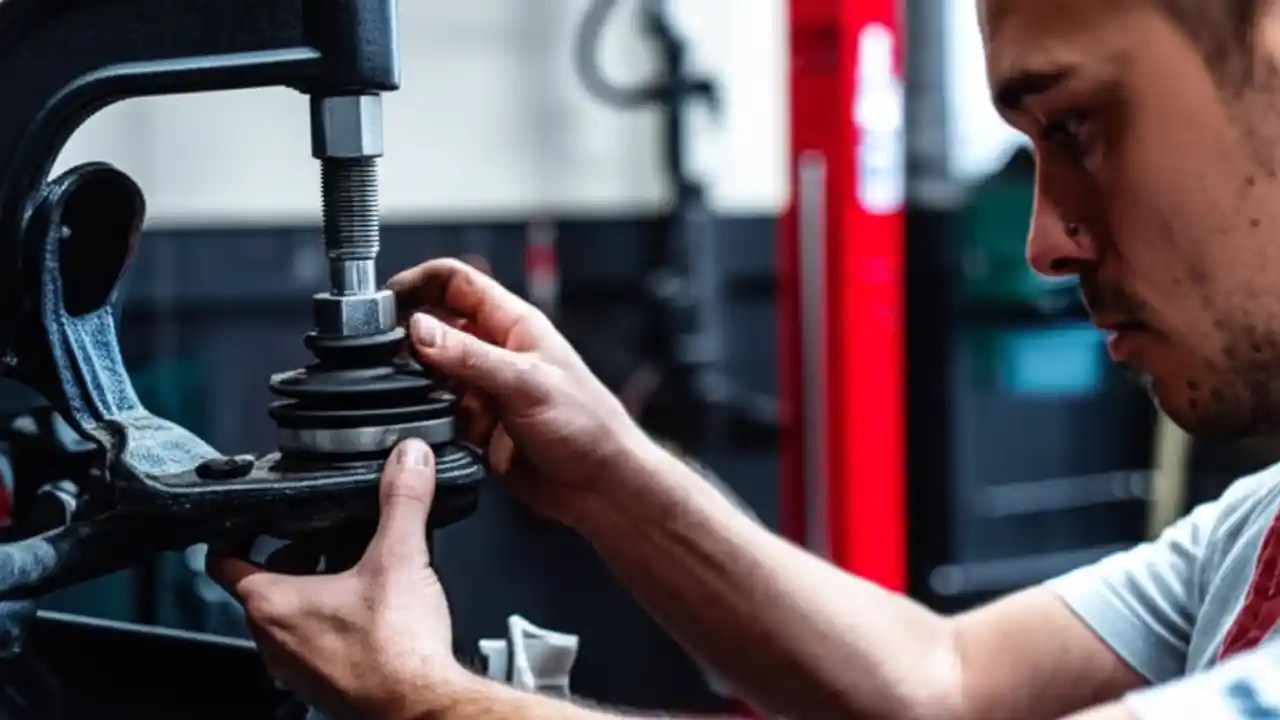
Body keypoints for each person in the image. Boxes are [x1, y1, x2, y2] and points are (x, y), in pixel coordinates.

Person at [204, 0, 1280, 717]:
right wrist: (607, 471)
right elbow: (938, 685)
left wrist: (429, 703)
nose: (1044, 241)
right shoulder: (1256, 532)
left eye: (1079, 126)